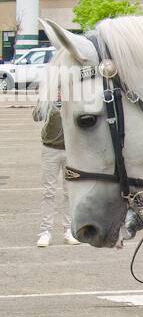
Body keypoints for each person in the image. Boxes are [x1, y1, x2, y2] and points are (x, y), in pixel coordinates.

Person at [32, 101, 79, 248]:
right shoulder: (48, 98)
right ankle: (45, 232)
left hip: (71, 151)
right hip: (50, 150)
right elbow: (36, 116)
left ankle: (69, 230)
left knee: (70, 192)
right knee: (48, 192)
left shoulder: (75, 97)